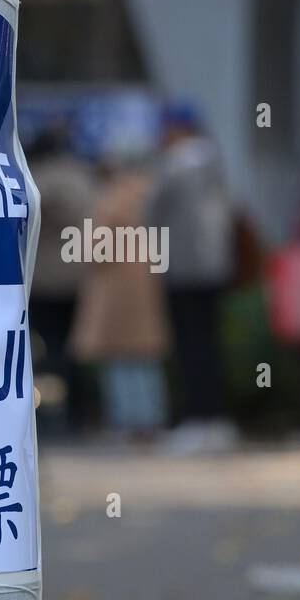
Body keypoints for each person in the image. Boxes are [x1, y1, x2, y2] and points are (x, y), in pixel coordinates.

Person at [147, 101, 238, 454]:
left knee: (190, 347)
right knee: (209, 344)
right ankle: (216, 419)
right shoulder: (215, 162)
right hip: (215, 266)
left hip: (184, 266)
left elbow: (151, 209)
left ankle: (198, 420)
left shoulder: (176, 165)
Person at [69, 139, 170, 438]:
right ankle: (151, 419)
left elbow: (93, 246)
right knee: (144, 359)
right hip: (146, 281)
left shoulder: (112, 197)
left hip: (114, 287)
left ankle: (126, 421)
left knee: (118, 359)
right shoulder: (151, 191)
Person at [28, 123, 96, 433]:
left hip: (47, 281)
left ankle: (55, 415)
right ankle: (81, 412)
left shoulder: (39, 180)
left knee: (49, 350)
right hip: (79, 275)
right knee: (74, 348)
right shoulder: (84, 177)